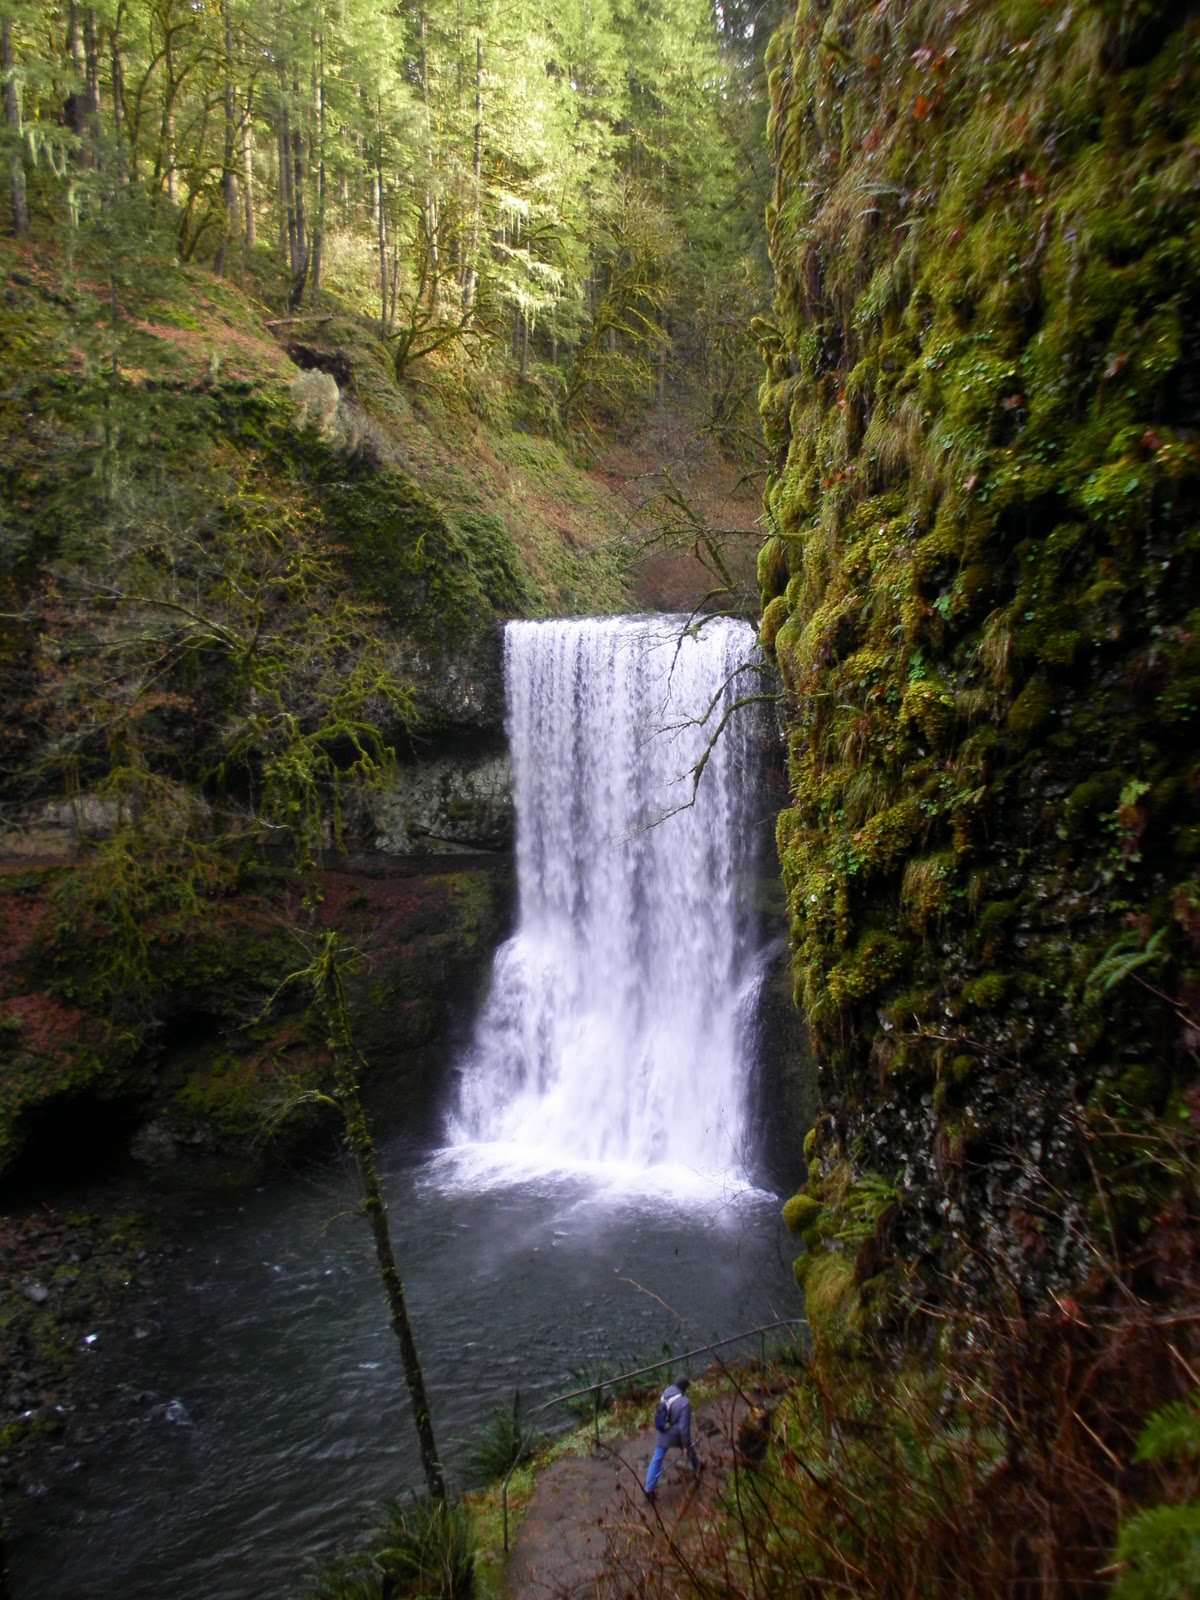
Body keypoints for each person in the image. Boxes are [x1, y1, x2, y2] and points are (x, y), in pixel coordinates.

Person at [643, 1377, 700, 1499]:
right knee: (689, 1446)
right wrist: (684, 1446)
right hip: (675, 1433)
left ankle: (648, 1488)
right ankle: (697, 1468)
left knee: (657, 1459)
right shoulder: (685, 1403)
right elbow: (684, 1428)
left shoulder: (667, 1392)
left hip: (662, 1430)